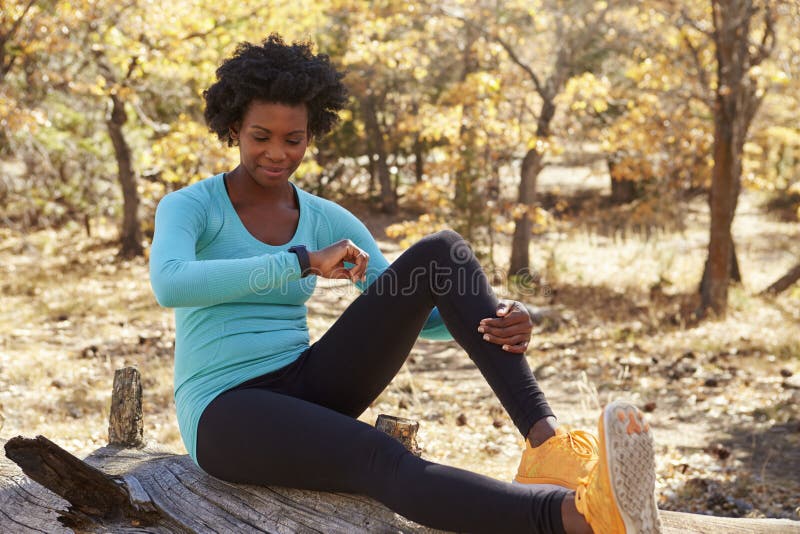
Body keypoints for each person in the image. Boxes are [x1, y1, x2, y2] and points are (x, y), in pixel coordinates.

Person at [149, 34, 661, 534]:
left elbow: (411, 309)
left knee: (441, 253)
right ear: (234, 127)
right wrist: (301, 261)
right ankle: (577, 518)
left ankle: (547, 443)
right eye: (261, 136)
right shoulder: (192, 207)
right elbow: (171, 285)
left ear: (312, 134)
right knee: (380, 458)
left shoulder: (326, 218)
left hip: (306, 385)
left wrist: (495, 320)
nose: (278, 153)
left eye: (294, 139)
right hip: (225, 413)